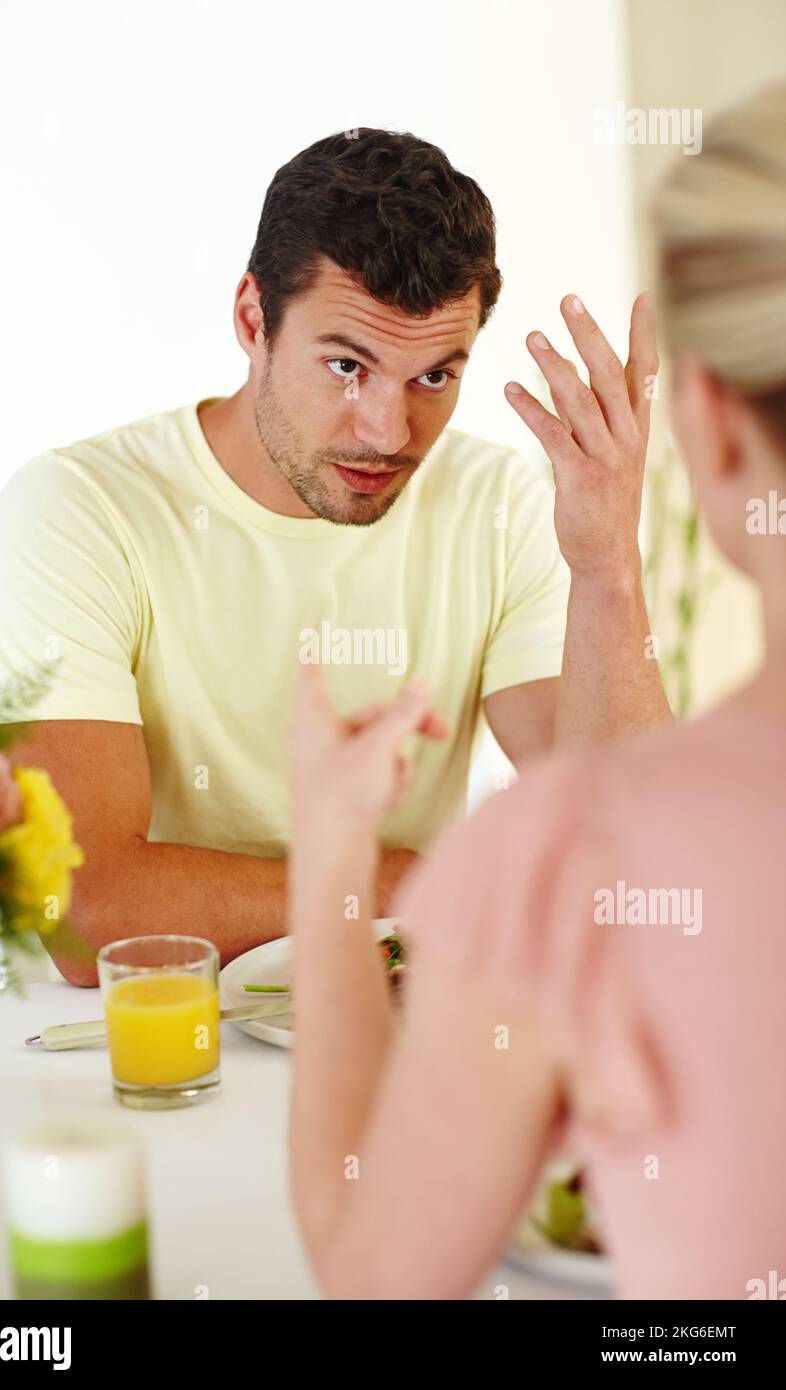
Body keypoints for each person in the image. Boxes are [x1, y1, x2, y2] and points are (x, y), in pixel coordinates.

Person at [287, 83, 786, 1300]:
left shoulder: (573, 855)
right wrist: (603, 564)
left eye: (434, 375)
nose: (387, 425)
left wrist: (331, 848)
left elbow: (374, 1279)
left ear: (708, 424)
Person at [0, 129, 667, 985]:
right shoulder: (79, 511)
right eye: (348, 365)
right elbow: (86, 912)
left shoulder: (499, 505)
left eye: (434, 377)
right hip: (130, 1055)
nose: (386, 432)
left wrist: (609, 571)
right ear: (251, 318)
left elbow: (631, 859)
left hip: (395, 1038)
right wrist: (388, 880)